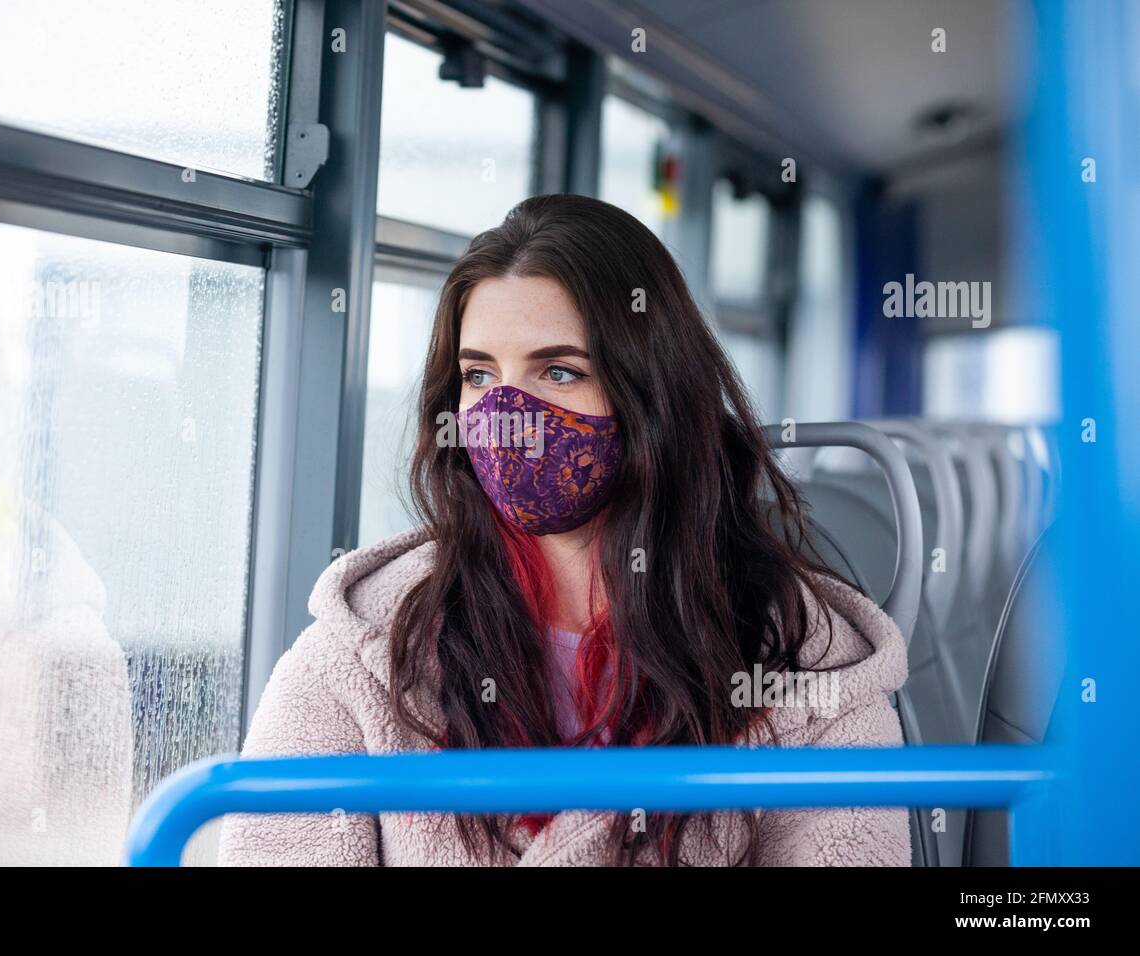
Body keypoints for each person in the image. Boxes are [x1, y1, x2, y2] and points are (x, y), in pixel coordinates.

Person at [218, 194, 910, 866]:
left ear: (654, 394)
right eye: (479, 375)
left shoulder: (798, 663)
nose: (508, 415)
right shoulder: (368, 646)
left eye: (558, 371)